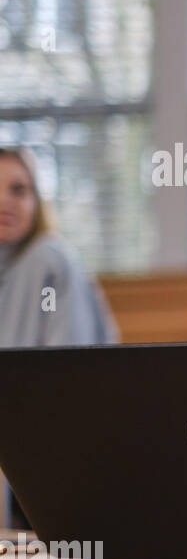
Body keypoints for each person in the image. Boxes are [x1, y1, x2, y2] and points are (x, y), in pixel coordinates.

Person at [0, 146, 119, 528]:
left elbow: (66, 383)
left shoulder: (45, 261)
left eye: (19, 189)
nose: (6, 201)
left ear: (36, 200)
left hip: (45, 479)